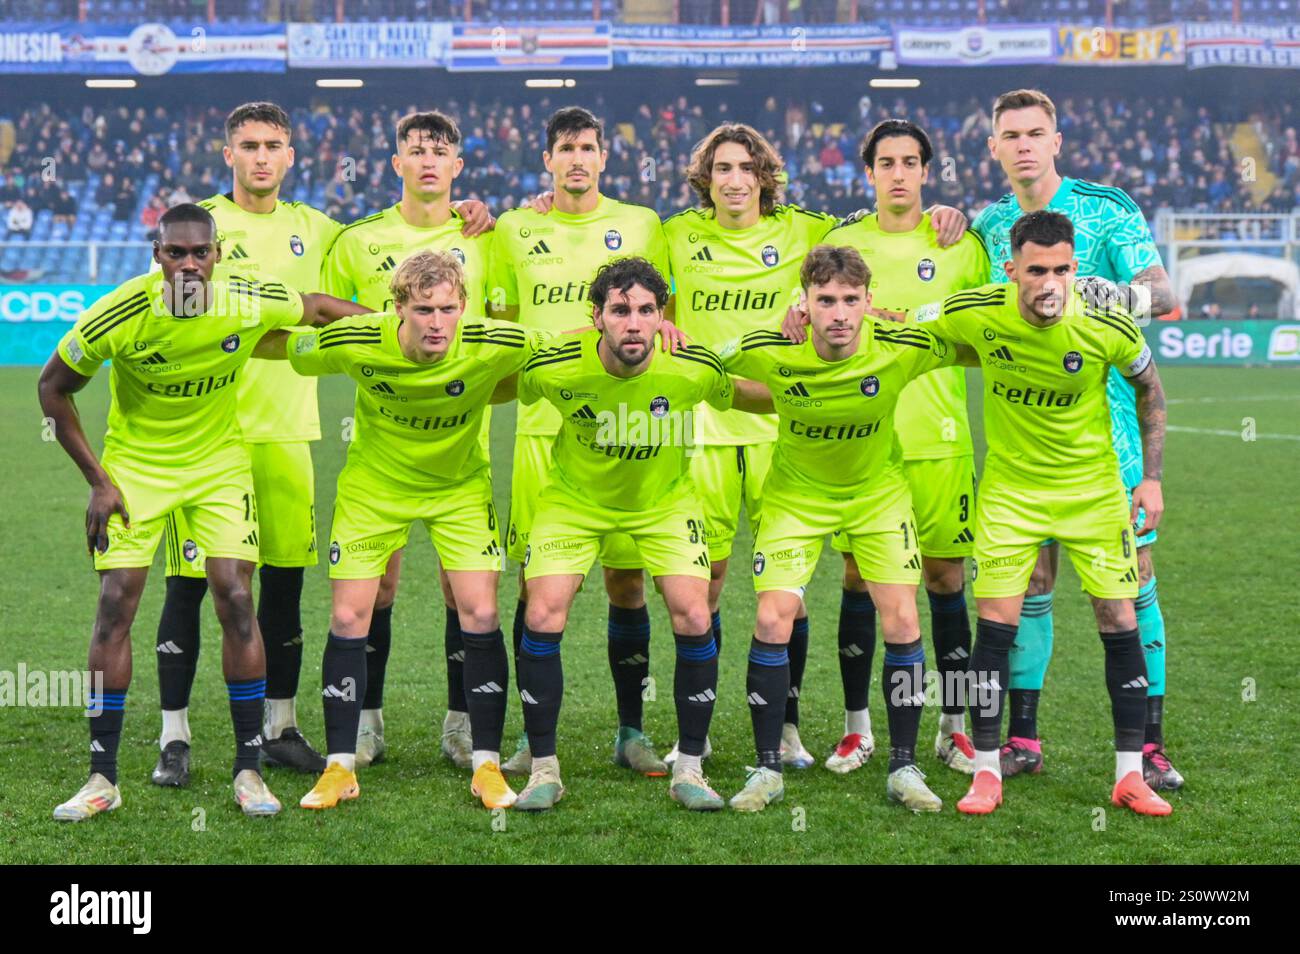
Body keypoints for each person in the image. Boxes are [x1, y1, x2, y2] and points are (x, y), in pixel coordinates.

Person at [38, 203, 364, 821]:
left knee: (237, 598)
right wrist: (99, 482)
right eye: (175, 253)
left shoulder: (243, 298)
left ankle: (248, 768)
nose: (189, 265)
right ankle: (102, 778)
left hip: (218, 464)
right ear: (155, 256)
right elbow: (52, 387)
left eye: (200, 253)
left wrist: (392, 324)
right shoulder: (122, 311)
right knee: (116, 604)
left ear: (218, 256)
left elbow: (319, 308)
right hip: (136, 467)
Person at [263, 250, 548, 811]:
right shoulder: (354, 340)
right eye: (423, 310)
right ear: (398, 309)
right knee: (348, 616)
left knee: (482, 614)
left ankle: (485, 765)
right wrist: (209, 331)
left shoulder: (496, 340)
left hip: (460, 490)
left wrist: (653, 326)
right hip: (374, 491)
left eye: (447, 308)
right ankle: (340, 768)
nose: (437, 322)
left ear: (464, 306)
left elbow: (576, 342)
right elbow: (276, 345)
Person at [918, 210, 1172, 818]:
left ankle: (1130, 775)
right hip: (1011, 496)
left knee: (1118, 618)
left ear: (1074, 267)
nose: (1051, 282)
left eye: (1062, 269)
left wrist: (1153, 479)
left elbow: (1151, 391)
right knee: (995, 628)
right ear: (1012, 270)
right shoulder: (976, 310)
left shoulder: (1106, 323)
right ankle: (985, 772)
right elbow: (905, 322)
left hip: (1093, 492)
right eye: (1037, 270)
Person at [968, 89, 1182, 790]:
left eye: (1036, 132)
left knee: (1129, 587)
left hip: (1110, 438)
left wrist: (1110, 296)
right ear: (994, 147)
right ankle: (1020, 739)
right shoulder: (988, 226)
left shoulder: (1106, 209)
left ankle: (1148, 748)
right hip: (1026, 444)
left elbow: (1165, 292)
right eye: (1010, 134)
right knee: (1031, 581)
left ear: (1056, 140)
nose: (1024, 144)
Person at [721, 245, 979, 812]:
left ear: (869, 302)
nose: (839, 313)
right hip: (795, 498)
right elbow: (706, 364)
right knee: (771, 616)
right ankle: (766, 769)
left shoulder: (901, 346)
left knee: (905, 616)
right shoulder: (770, 349)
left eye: (850, 301)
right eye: (826, 300)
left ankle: (904, 767)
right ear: (805, 303)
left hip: (877, 498)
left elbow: (978, 346)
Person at [508, 256, 762, 812]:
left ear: (661, 316)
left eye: (647, 310)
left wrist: (819, 396)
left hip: (664, 503)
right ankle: (543, 768)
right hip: (574, 502)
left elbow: (742, 396)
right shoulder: (556, 367)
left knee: (695, 615)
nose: (634, 323)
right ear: (596, 316)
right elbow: (514, 386)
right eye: (620, 310)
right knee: (542, 611)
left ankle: (690, 769)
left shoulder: (690, 368)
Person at [787, 119, 991, 776]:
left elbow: (982, 338)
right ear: (868, 172)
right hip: (864, 446)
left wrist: (914, 332)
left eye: (910, 162)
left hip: (939, 441)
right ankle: (857, 729)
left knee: (945, 580)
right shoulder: (841, 243)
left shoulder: (961, 246)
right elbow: (807, 321)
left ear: (927, 172)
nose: (898, 173)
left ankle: (953, 726)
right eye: (886, 162)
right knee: (858, 580)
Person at [488, 107, 675, 779]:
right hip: (541, 430)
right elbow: (499, 319)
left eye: (588, 147)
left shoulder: (643, 224)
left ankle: (631, 730)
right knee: (534, 589)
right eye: (564, 147)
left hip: (625, 427)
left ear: (604, 157)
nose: (576, 158)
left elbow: (662, 312)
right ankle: (530, 736)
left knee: (628, 581)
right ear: (547, 159)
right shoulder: (514, 227)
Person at [321, 109, 497, 770]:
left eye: (440, 151)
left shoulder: (488, 236)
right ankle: (366, 721)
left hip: (460, 449)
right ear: (396, 162)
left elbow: (500, 333)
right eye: (415, 149)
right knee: (381, 587)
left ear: (458, 166)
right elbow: (324, 310)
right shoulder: (358, 240)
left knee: (464, 592)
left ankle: (460, 722)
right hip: (382, 447)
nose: (427, 160)